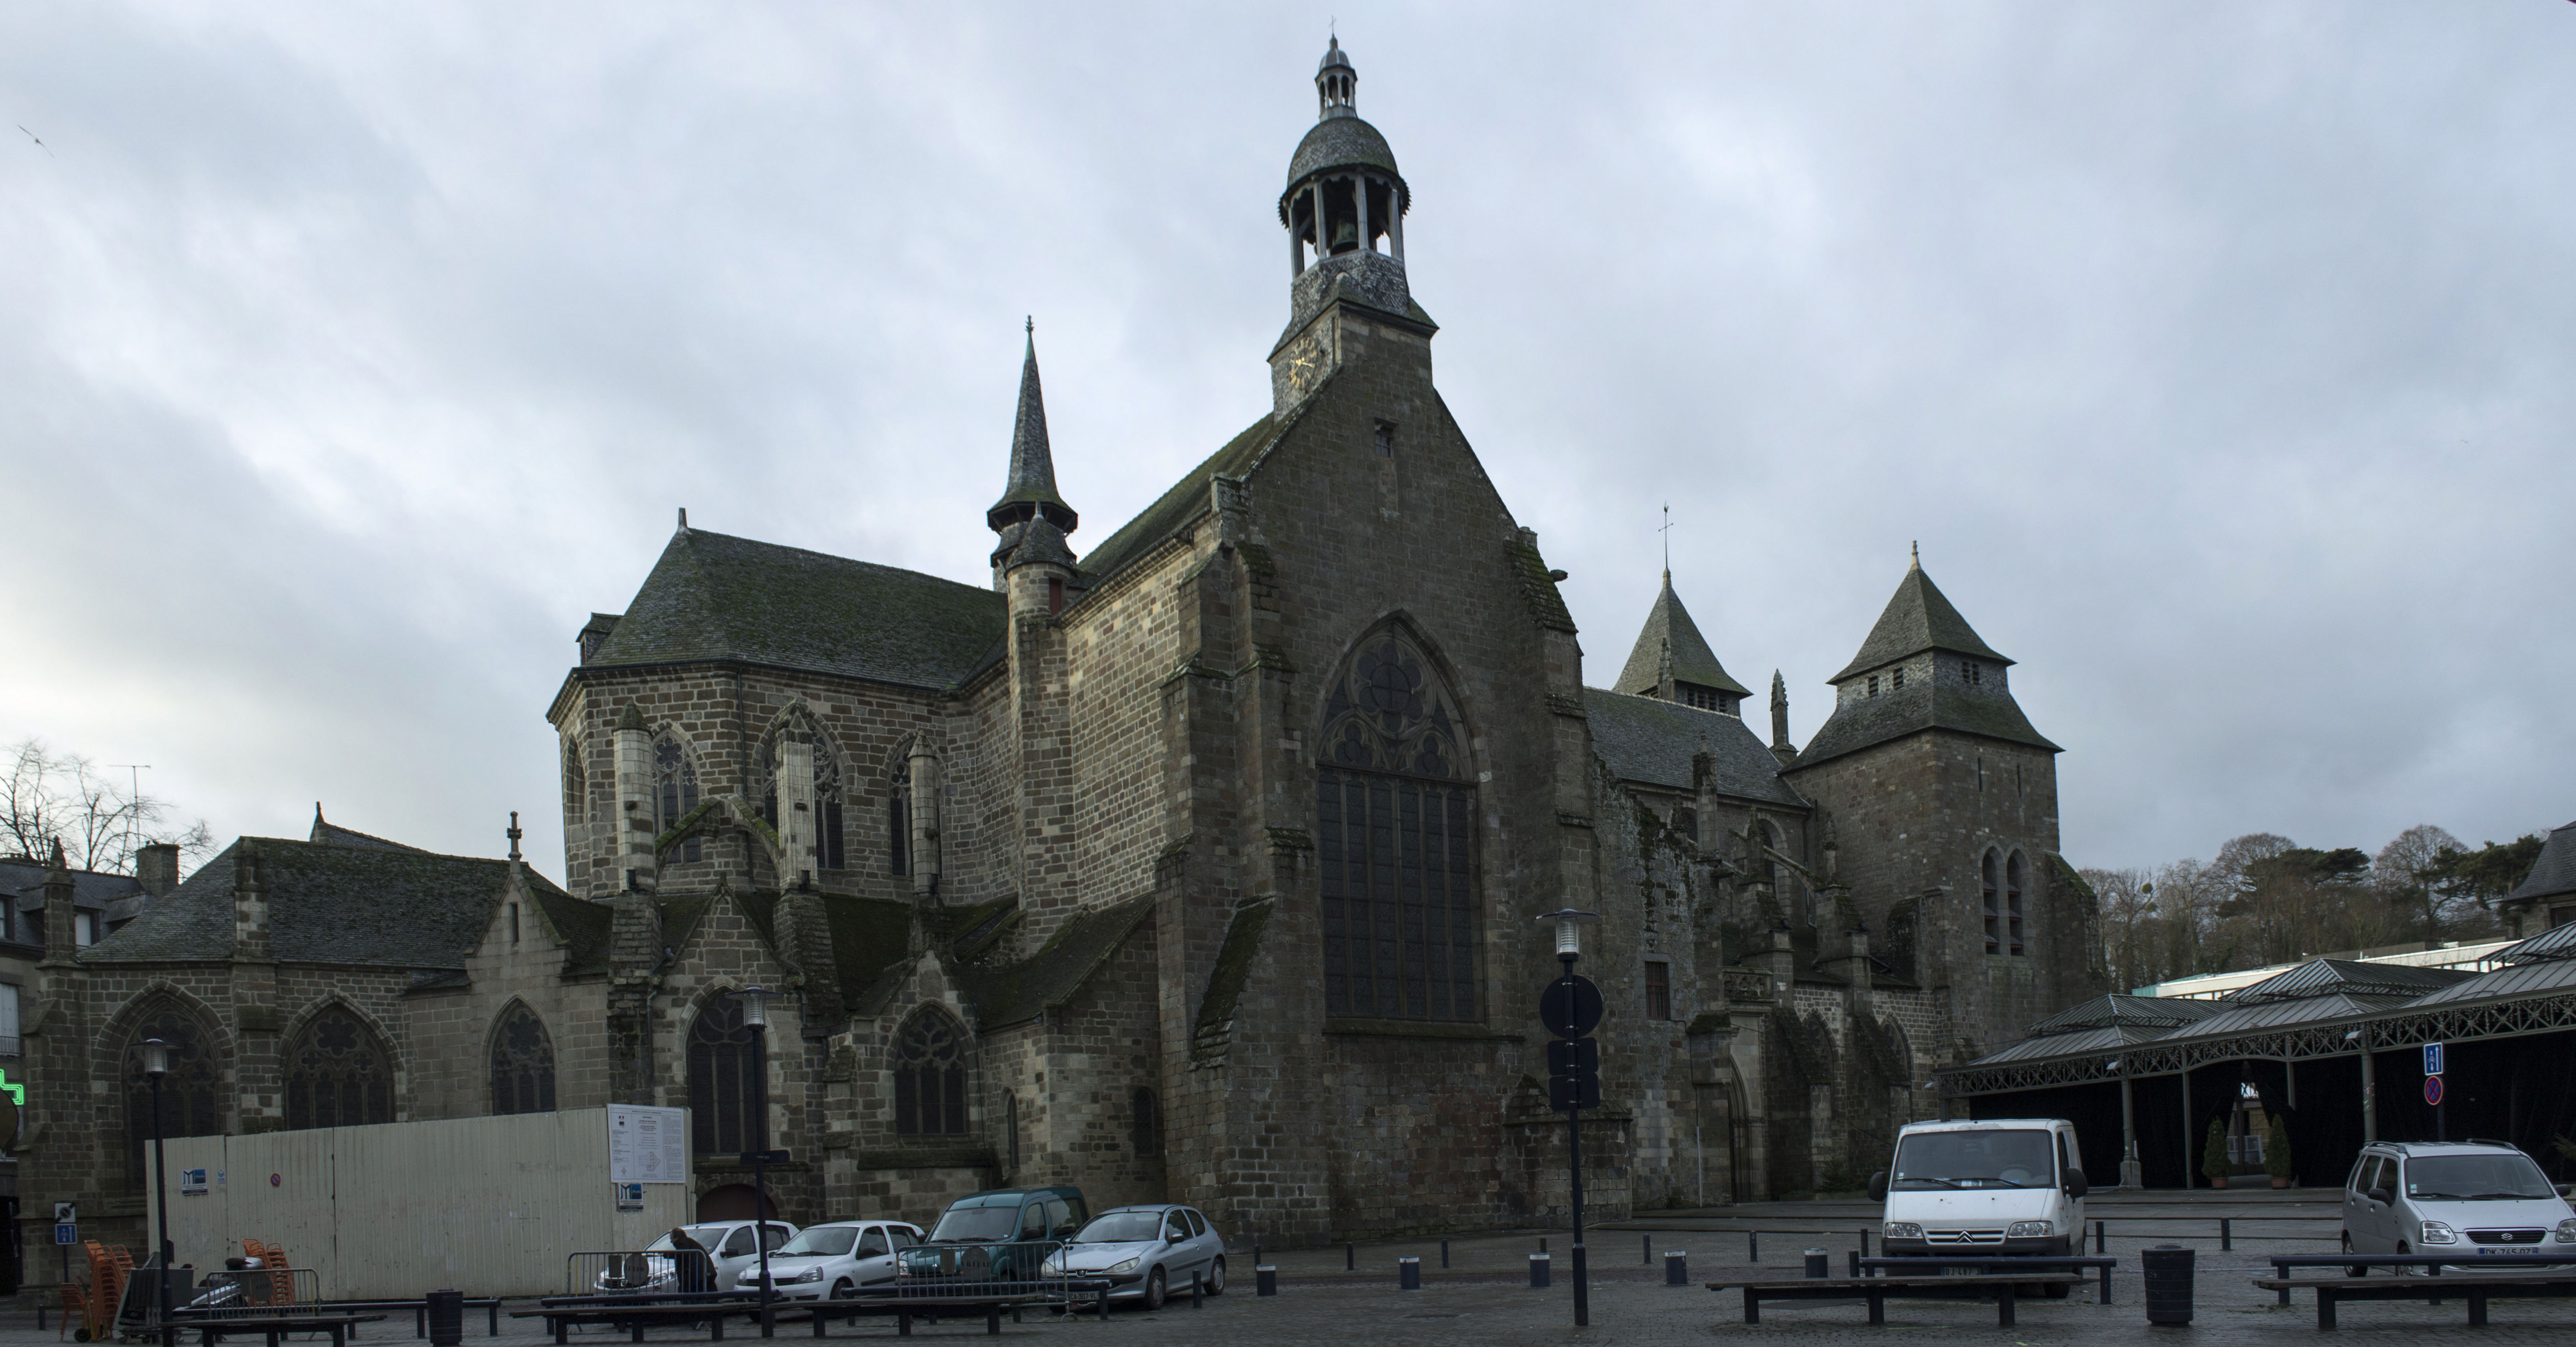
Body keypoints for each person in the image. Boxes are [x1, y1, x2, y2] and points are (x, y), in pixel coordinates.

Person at [667, 1227, 708, 1294]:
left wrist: (667, 1255)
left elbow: (682, 1254)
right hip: (701, 1275)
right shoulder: (688, 1242)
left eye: (672, 1239)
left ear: (677, 1237)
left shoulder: (682, 1242)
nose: (671, 1242)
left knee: (690, 1295)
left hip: (697, 1277)